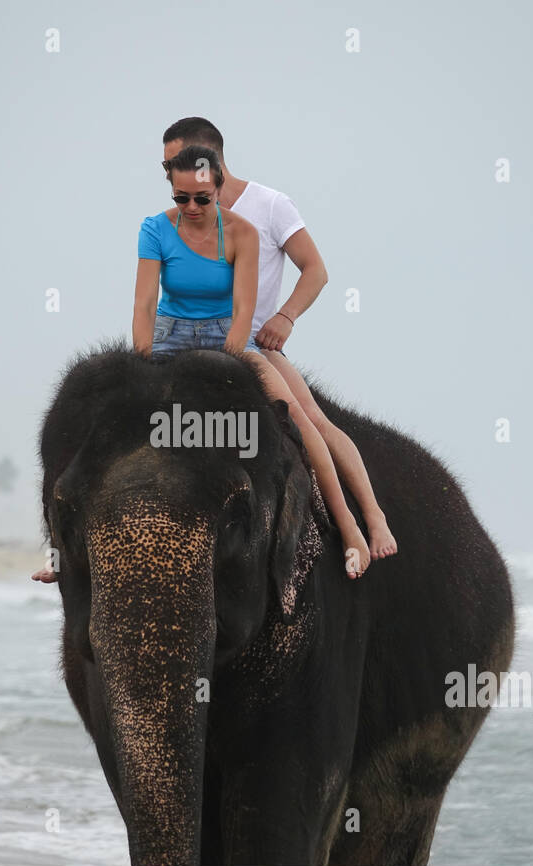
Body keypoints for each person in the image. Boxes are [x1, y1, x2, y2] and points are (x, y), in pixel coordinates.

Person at [160, 118, 396, 561]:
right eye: (167, 165)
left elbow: (316, 270)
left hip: (254, 343)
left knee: (310, 421)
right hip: (194, 342)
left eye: (174, 161)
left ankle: (367, 522)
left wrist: (285, 317)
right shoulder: (184, 214)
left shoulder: (269, 206)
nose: (170, 172)